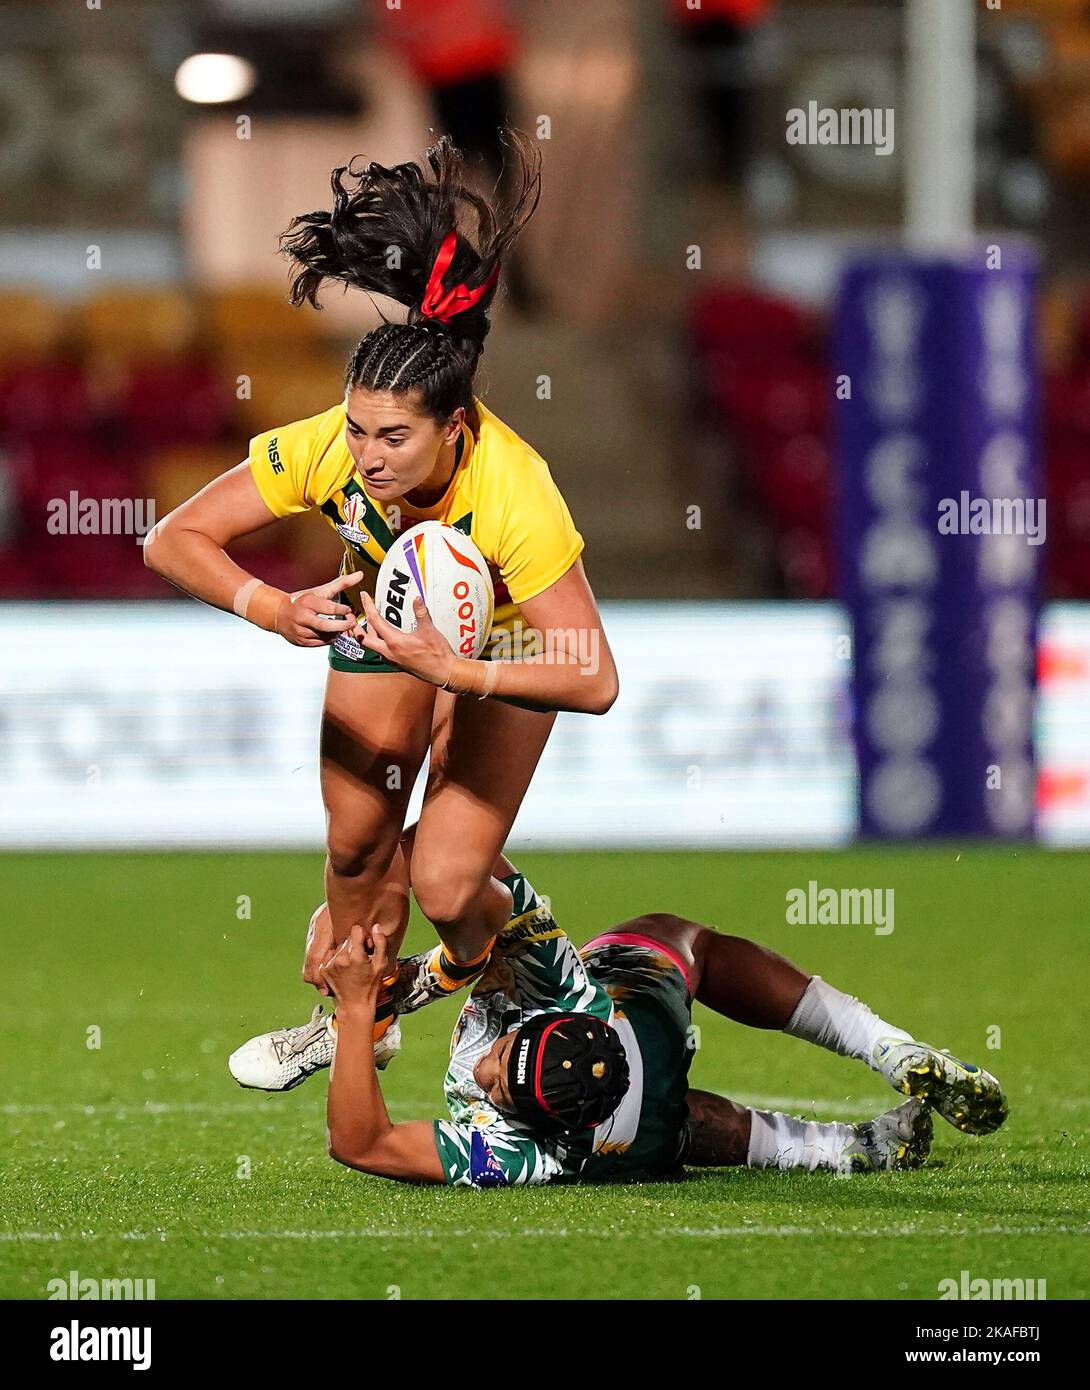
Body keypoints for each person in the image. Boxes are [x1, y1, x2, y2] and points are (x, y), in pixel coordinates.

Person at [144, 132, 618, 1051]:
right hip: (384, 626)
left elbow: (593, 676)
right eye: (359, 430)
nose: (367, 456)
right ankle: (363, 1016)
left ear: (453, 426)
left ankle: (506, 972)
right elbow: (174, 538)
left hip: (506, 648)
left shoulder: (517, 494)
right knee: (356, 855)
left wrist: (459, 674)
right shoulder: (330, 446)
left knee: (441, 885)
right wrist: (272, 607)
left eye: (393, 438)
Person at [228, 837, 1007, 1187]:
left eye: (496, 1082)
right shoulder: (570, 994)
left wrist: (362, 1011)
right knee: (677, 946)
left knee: (677, 1126)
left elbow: (359, 1143)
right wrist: (402, 923)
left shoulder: (529, 1154)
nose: (486, 1068)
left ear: (537, 1121)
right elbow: (468, 864)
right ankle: (884, 1059)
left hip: (632, 1137)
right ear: (555, 1020)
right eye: (509, 1052)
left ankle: (854, 1147)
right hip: (641, 1042)